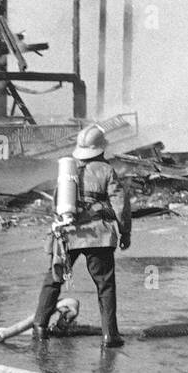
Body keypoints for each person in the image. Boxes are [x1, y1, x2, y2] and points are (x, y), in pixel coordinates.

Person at [33, 126, 130, 348]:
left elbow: (58, 201)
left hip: (68, 234)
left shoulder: (68, 171)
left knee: (54, 279)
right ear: (101, 149)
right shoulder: (107, 171)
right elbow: (120, 206)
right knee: (105, 285)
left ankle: (39, 328)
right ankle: (110, 336)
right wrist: (125, 233)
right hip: (98, 236)